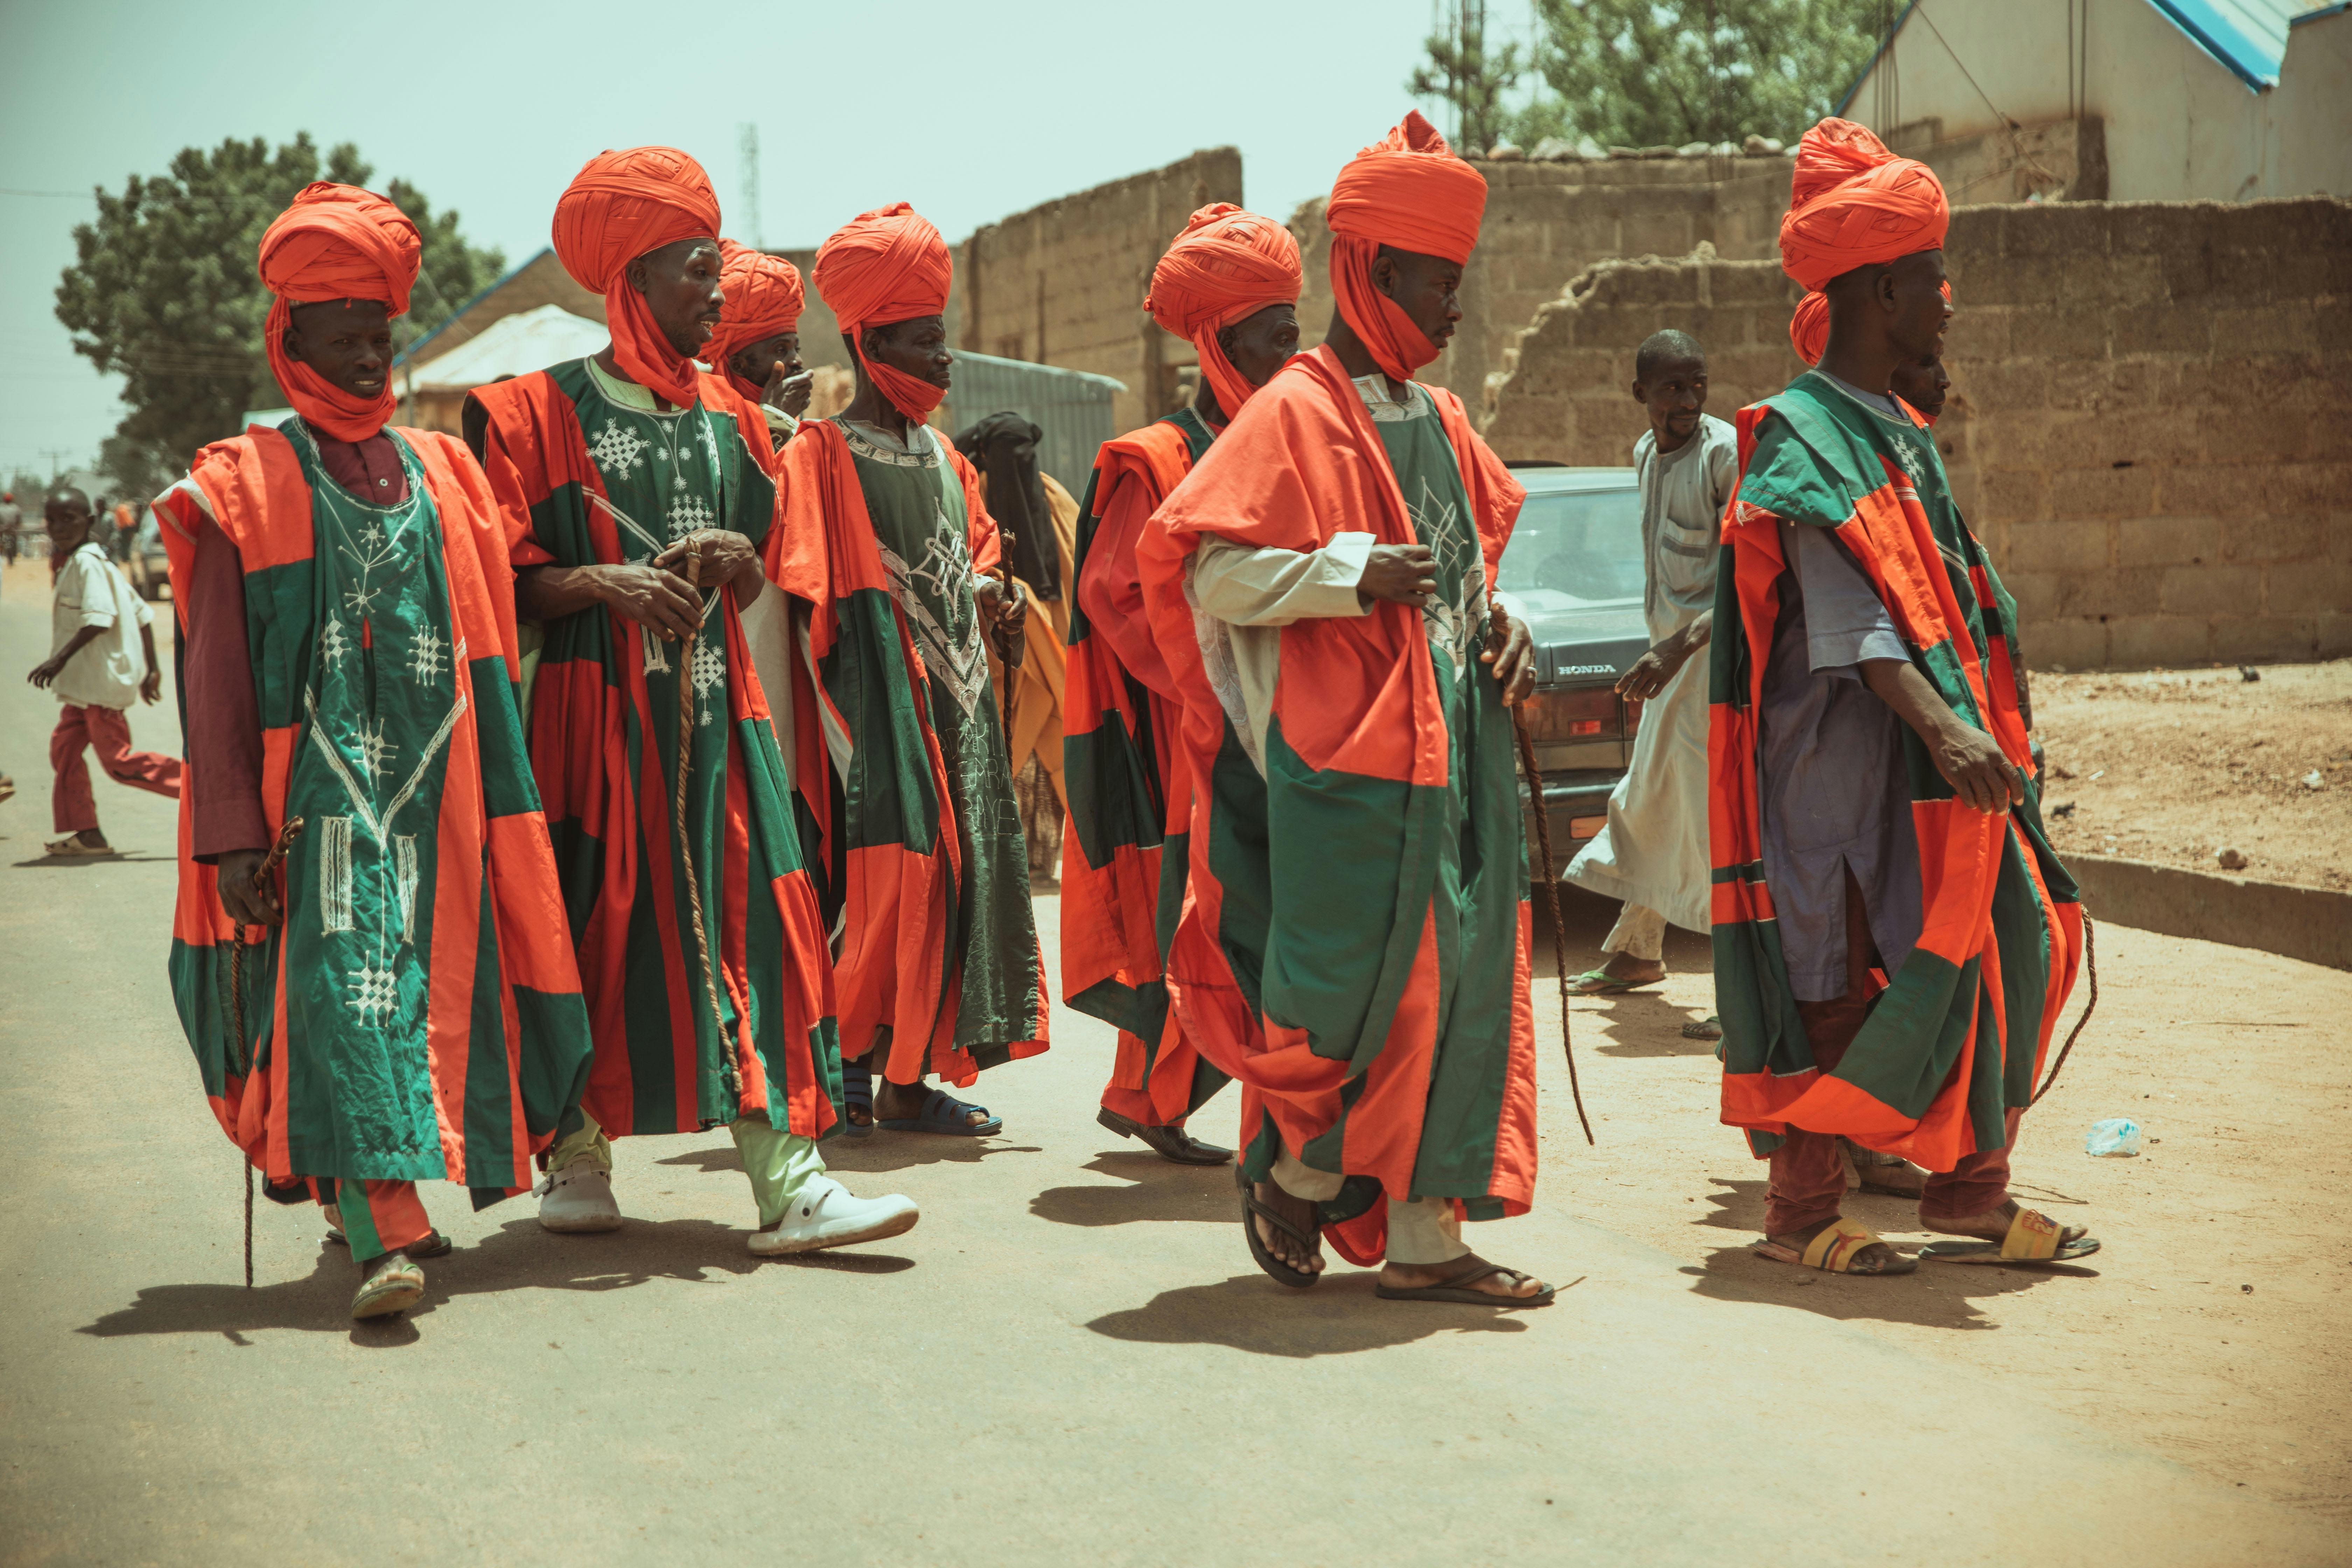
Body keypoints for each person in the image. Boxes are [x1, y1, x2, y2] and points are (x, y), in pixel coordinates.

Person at [152, 182, 595, 1320]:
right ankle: (382, 1233)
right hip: (318, 804)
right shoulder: (243, 483)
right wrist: (231, 835)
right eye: (339, 338)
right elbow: (216, 677)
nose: (364, 359)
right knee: (348, 992)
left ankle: (381, 1198)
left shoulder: (446, 470)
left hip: (445, 790)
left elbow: (501, 615)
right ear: (288, 340)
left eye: (378, 338)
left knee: (433, 993)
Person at [465, 148, 915, 1254]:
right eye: (697, 272)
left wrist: (735, 558)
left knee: (761, 926)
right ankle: (575, 1153)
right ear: (632, 281)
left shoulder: (738, 418)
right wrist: (597, 582)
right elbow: (497, 584)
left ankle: (792, 1180)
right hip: (584, 724)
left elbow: (764, 568)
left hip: (722, 720)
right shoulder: (531, 413)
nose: (718, 294)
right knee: (588, 926)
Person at [1137, 114, 1552, 1304]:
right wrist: (1346, 573)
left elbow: (1468, 580)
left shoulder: (1444, 420)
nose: (1455, 306)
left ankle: (1425, 1241)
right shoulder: (1293, 411)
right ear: (1372, 271)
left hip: (1454, 755)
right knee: (1359, 999)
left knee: (1460, 985)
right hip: (1347, 771)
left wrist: (1506, 630)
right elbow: (1209, 574)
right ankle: (1302, 1170)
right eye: (1437, 281)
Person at [1710, 119, 2095, 1276]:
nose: (1949, 299)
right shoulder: (1806, 435)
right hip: (1838, 772)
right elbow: (1854, 623)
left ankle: (1970, 1193)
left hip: (1928, 763)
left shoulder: (1897, 428)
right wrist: (1951, 729)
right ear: (1882, 291)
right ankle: (1800, 1213)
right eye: (1934, 276)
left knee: (2002, 944)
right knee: (1837, 981)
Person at [768, 202, 1047, 1138]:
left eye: (943, 337)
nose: (945, 358)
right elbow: (805, 589)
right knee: (881, 888)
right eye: (926, 341)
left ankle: (906, 1079)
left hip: (958, 705)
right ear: (872, 341)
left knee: (956, 886)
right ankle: (849, 1066)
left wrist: (994, 593)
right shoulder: (820, 452)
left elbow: (975, 554)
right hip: (871, 712)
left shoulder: (943, 457)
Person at [1061, 202, 1301, 1165]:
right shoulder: (1158, 458)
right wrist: (1213, 689)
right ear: (1223, 341)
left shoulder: (1287, 438)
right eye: (1276, 338)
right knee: (1199, 913)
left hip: (1277, 721)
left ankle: (1155, 1095)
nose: (1294, 355)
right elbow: (1115, 595)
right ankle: (1157, 1096)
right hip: (1188, 731)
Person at [1562, 329, 1734, 1008]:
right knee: (1651, 803)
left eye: (1698, 385)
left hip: (1713, 663)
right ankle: (1637, 951)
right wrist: (1664, 651)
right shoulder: (1644, 454)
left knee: (1707, 818)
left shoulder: (1723, 456)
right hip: (1671, 665)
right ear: (1640, 393)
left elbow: (1751, 577)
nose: (1688, 400)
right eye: (1672, 388)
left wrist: (1677, 649)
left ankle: (1743, 997)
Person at [953, 410, 1076, 869]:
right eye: (1007, 457)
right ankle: (1010, 860)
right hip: (1002, 652)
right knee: (1011, 754)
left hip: (1057, 647)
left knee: (1049, 752)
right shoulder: (973, 497)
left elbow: (1077, 563)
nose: (1016, 466)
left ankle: (1041, 859)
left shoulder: (1053, 496)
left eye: (1023, 456)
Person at [28, 484, 179, 856]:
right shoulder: (88, 562)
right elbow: (142, 614)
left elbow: (99, 619)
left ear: (90, 520)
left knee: (118, 762)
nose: (60, 528)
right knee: (65, 750)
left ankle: (209, 790)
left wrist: (58, 660)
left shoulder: (88, 564)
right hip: (83, 688)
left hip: (98, 686)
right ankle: (88, 833)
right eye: (52, 521)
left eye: (69, 519)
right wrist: (153, 670)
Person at [704, 239, 813, 454]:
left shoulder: (804, 426)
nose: (797, 361)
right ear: (739, 365)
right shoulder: (707, 425)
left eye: (796, 349)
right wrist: (775, 419)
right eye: (781, 350)